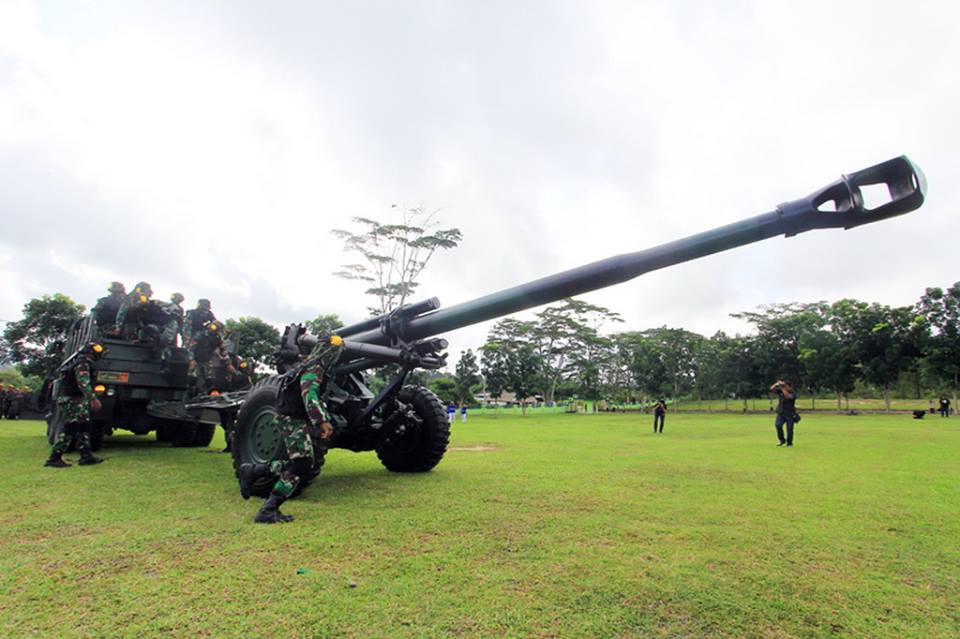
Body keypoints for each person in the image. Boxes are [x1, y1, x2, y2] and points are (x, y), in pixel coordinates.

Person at [238, 334, 344, 524]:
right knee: (302, 465)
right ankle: (268, 509)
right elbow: (309, 394)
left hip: (291, 417)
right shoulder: (315, 367)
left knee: (301, 463)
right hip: (292, 419)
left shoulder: (306, 365)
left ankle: (254, 471)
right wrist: (321, 421)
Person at [44, 343, 105, 467]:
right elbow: (83, 383)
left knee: (83, 427)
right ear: (91, 353)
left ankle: (85, 456)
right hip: (73, 400)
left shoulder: (80, 363)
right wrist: (93, 399)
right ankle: (54, 458)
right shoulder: (82, 364)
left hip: (76, 400)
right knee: (70, 428)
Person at [189, 320, 234, 394]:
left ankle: (205, 395)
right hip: (195, 359)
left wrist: (228, 364)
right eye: (212, 326)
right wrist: (191, 359)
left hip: (207, 360)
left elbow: (223, 352)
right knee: (191, 378)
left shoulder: (217, 338)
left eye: (215, 327)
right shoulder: (200, 334)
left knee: (209, 380)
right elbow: (192, 347)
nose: (212, 328)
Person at [771, 379, 797, 447]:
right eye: (784, 386)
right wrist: (777, 384)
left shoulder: (793, 393)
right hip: (781, 412)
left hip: (790, 414)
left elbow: (787, 396)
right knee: (778, 425)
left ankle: (789, 443)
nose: (784, 387)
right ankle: (782, 440)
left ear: (790, 387)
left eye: (786, 386)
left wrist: (783, 388)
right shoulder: (781, 391)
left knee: (790, 429)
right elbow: (772, 389)